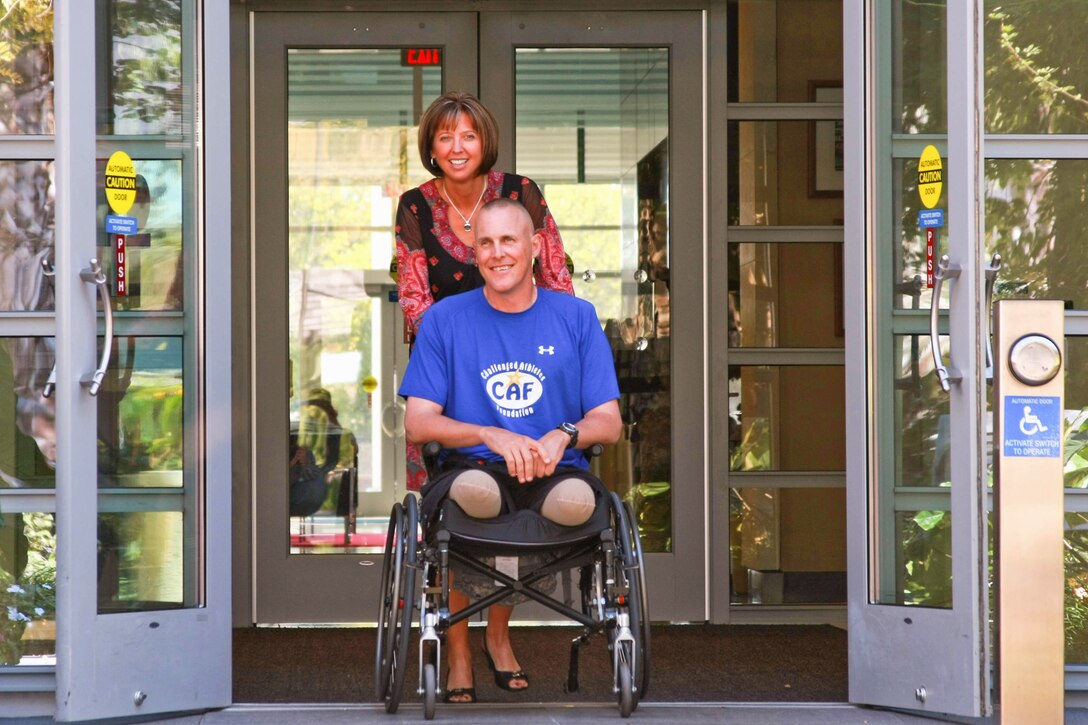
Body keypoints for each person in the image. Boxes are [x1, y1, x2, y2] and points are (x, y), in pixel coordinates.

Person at [399, 199, 622, 703]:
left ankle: (496, 635)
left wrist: (563, 433)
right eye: (485, 242)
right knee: (476, 497)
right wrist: (489, 433)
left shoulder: (577, 317)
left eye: (509, 241)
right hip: (473, 469)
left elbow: (608, 422)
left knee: (579, 505)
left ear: (535, 247)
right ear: (473, 252)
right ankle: (459, 653)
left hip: (554, 470)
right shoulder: (444, 320)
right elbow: (418, 422)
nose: (497, 253)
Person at [393, 91, 575, 697]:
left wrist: (569, 348)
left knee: (517, 500)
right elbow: (415, 296)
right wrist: (457, 346)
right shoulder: (416, 205)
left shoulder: (521, 193)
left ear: (484, 141)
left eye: (467, 135)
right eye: (445, 138)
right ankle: (459, 651)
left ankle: (499, 633)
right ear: (432, 147)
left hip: (527, 362)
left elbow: (556, 275)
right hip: (451, 370)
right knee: (462, 509)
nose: (456, 147)